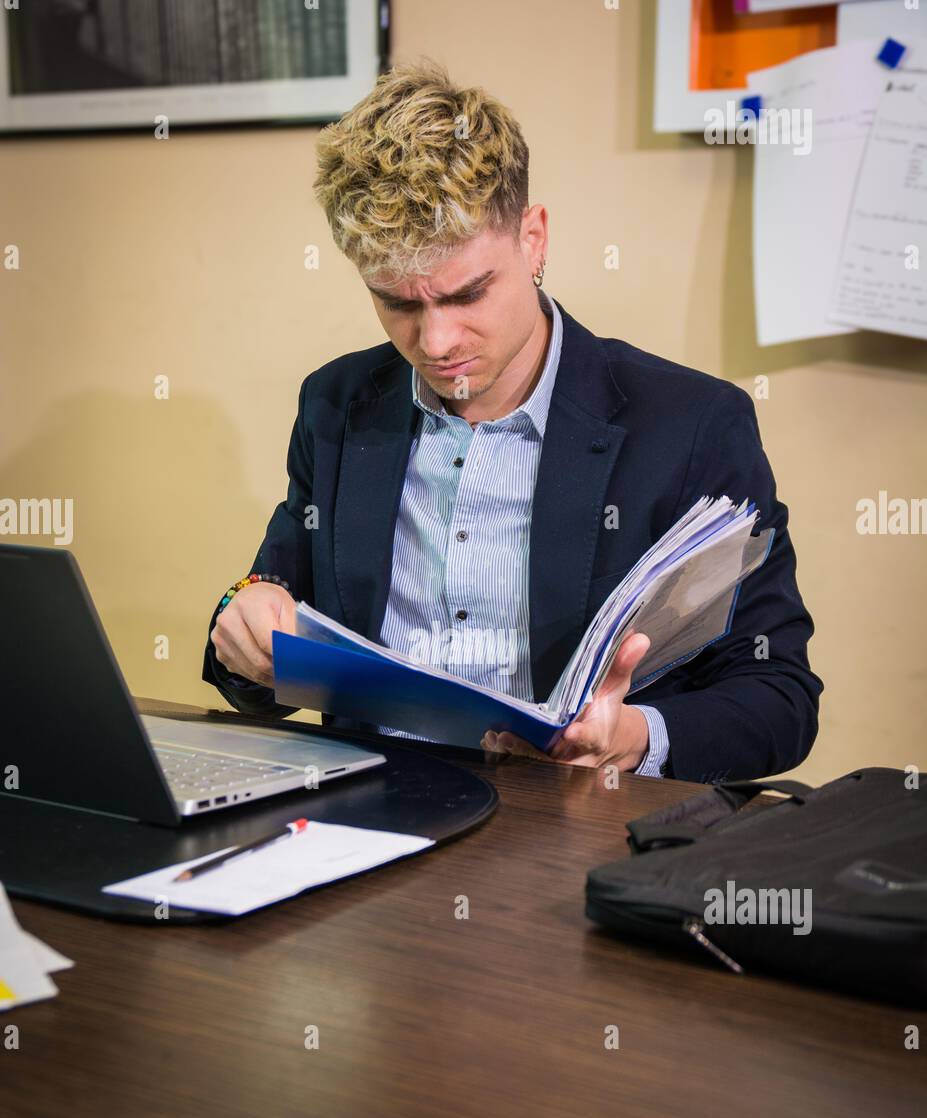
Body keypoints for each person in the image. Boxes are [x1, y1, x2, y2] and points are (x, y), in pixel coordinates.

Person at [202, 60, 822, 783]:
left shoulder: (689, 425)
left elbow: (779, 696)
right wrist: (243, 619)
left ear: (533, 240)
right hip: (369, 813)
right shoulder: (337, 404)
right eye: (398, 302)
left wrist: (632, 738)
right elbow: (266, 605)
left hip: (575, 830)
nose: (435, 343)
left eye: (467, 294)